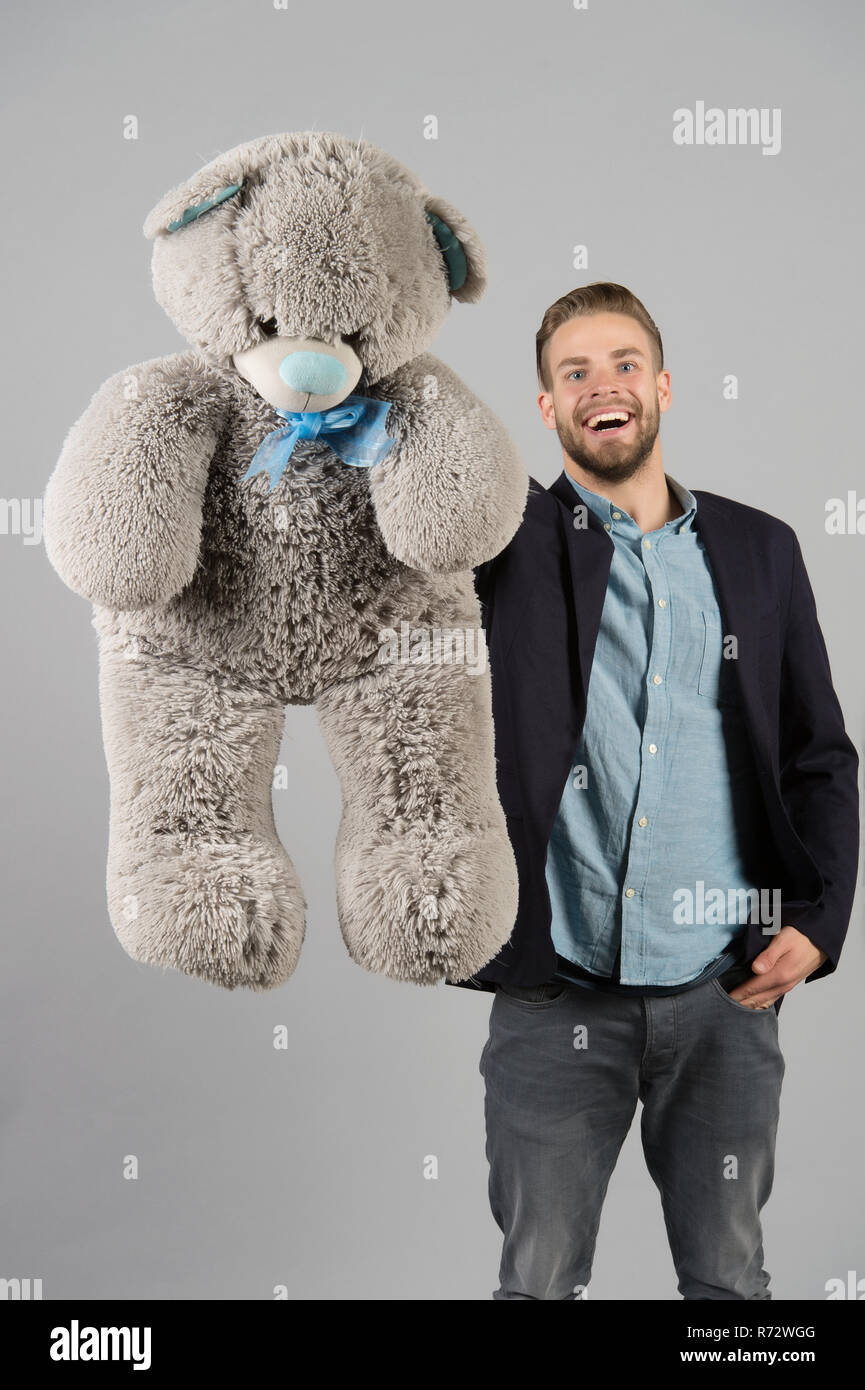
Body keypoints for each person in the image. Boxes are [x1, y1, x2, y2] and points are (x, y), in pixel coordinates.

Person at [446, 282, 860, 1301]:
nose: (603, 386)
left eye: (623, 363)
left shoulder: (761, 551)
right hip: (554, 991)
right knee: (534, 1284)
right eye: (574, 372)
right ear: (547, 408)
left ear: (661, 385)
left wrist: (818, 918)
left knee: (730, 1284)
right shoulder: (501, 552)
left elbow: (820, 754)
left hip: (723, 990)